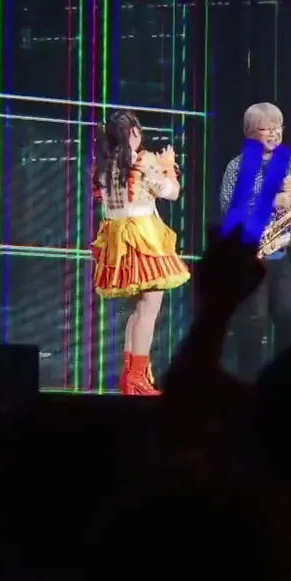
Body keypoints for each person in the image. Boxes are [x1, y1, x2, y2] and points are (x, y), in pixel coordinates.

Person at [91, 110, 191, 395]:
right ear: (132, 133)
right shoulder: (143, 161)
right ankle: (136, 376)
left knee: (139, 310)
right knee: (148, 310)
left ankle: (132, 376)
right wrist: (168, 166)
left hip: (119, 238)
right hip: (143, 238)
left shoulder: (105, 165)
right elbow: (171, 192)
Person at [218, 102, 291, 378]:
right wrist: (271, 201)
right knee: (253, 322)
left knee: (289, 317)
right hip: (252, 256)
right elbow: (228, 209)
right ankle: (249, 381)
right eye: (266, 129)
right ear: (250, 132)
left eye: (278, 128)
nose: (274, 134)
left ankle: (286, 379)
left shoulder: (288, 162)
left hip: (283, 253)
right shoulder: (237, 166)